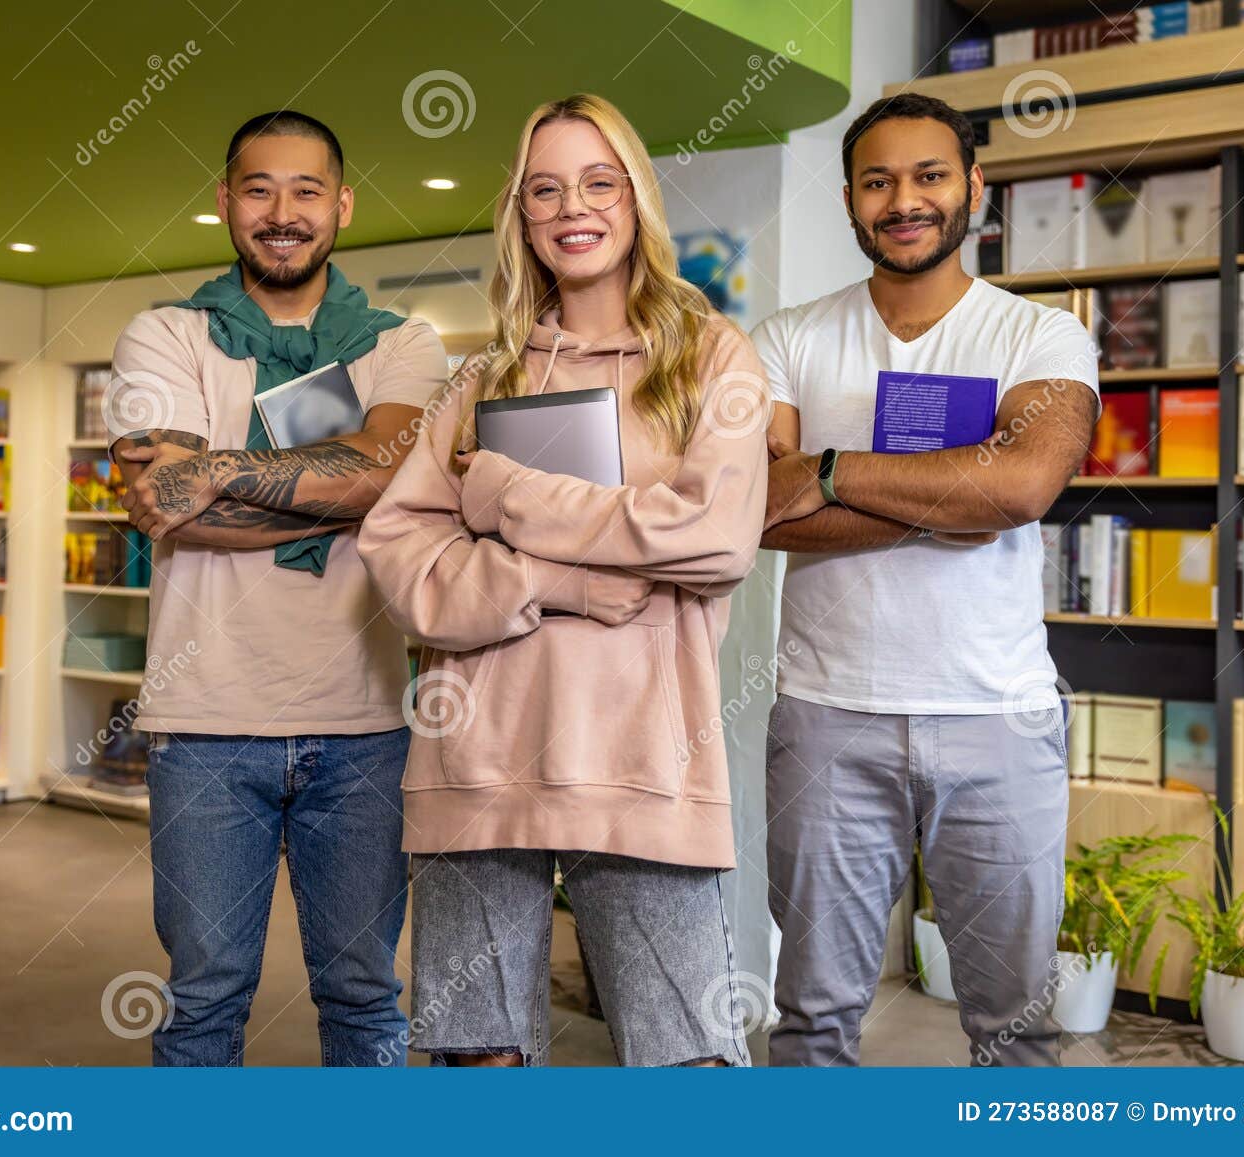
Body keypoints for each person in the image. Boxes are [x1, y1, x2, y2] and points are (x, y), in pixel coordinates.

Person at [357, 93, 768, 1067]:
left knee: (688, 1068)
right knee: (479, 1065)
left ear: (635, 198)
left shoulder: (711, 357)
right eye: (544, 188)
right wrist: (558, 584)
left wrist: (507, 493)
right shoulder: (481, 380)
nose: (570, 206)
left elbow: (714, 536)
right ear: (521, 214)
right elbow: (400, 555)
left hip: (642, 767)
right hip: (477, 767)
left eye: (596, 181)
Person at [752, 92, 1100, 1067]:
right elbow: (750, 505)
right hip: (825, 714)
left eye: (928, 175)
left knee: (1014, 1025)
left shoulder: (1041, 336)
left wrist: (826, 468)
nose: (903, 200)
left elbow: (1022, 484)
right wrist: (953, 497)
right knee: (812, 1019)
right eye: (877, 180)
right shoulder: (784, 339)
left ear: (972, 186)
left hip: (998, 717)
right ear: (852, 200)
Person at [107, 110, 447, 1066]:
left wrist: (218, 469)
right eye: (258, 189)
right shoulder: (165, 334)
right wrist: (348, 491)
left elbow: (394, 475)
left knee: (367, 1000)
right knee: (204, 1000)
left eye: (306, 190)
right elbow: (163, 503)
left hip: (366, 724)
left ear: (341, 205)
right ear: (225, 203)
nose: (282, 212)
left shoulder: (400, 343)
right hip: (206, 721)